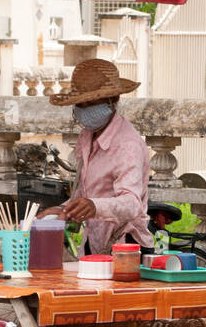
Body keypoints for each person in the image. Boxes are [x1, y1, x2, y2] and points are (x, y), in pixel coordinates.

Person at [42, 58, 153, 254]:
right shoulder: (87, 136)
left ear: (113, 100)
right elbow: (85, 195)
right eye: (81, 104)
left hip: (127, 245)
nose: (85, 109)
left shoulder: (128, 144)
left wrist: (95, 207)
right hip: (94, 242)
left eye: (91, 102)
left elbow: (132, 203)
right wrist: (63, 210)